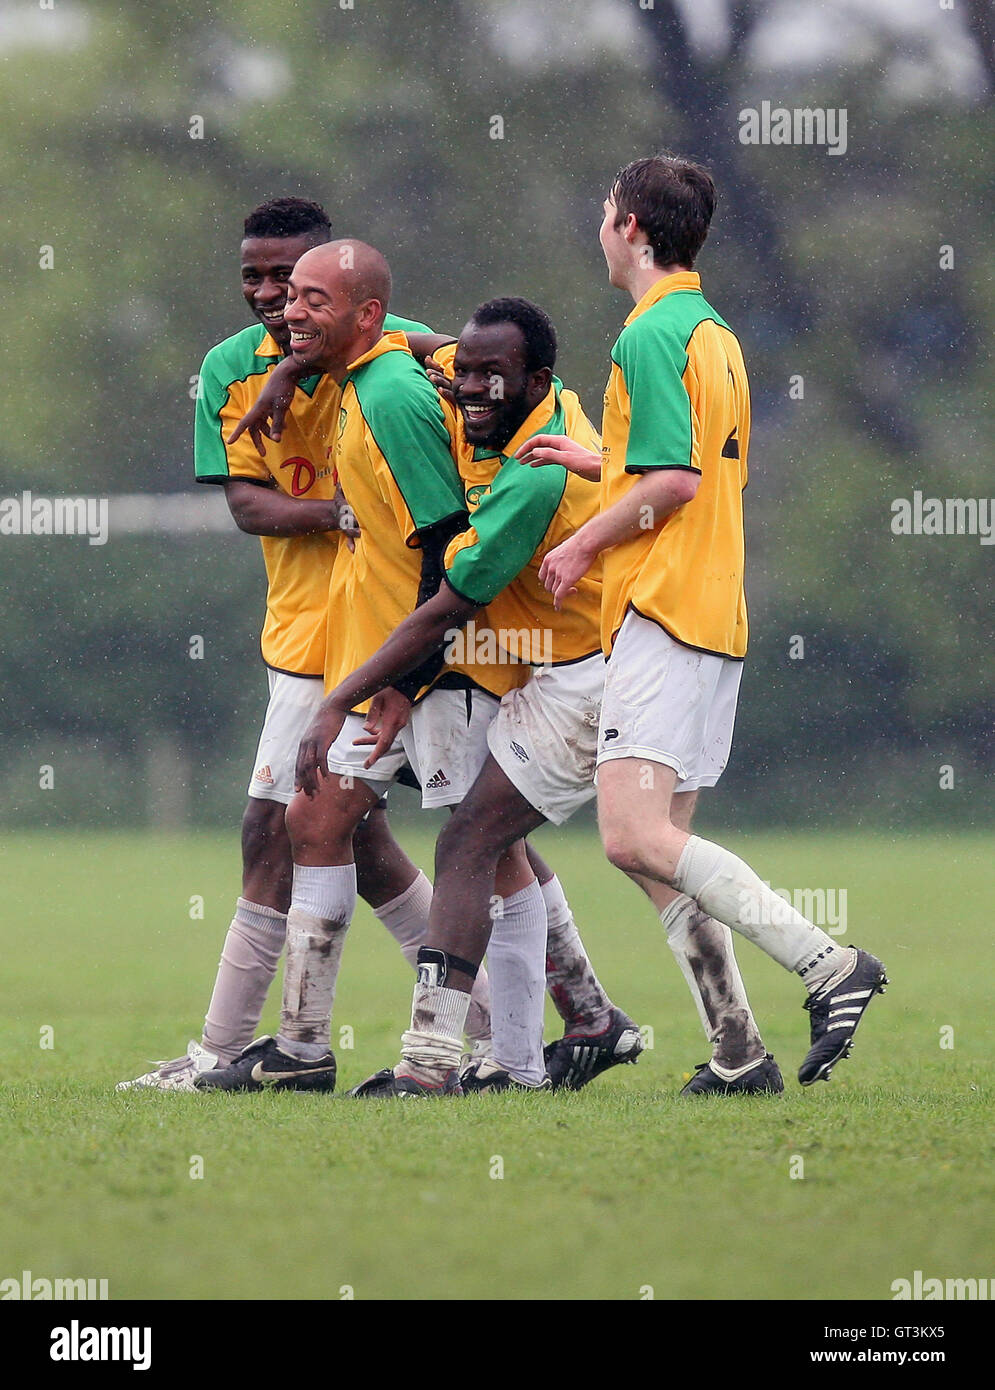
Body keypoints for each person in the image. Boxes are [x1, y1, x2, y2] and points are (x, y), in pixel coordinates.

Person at [290, 297, 780, 1097]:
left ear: (537, 382)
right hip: (542, 672)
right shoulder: (481, 382)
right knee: (533, 848)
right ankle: (653, 1037)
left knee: (490, 845)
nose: (471, 386)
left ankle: (440, 1064)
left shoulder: (533, 479)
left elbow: (449, 603)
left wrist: (347, 695)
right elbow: (414, 337)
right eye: (467, 372)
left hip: (584, 677)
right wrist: (290, 367)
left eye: (493, 376)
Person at [117, 200, 492, 1091]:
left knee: (302, 828)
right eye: (253, 277)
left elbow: (471, 365)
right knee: (366, 838)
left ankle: (240, 1052)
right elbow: (246, 505)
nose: (270, 296)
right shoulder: (228, 370)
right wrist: (335, 507)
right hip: (303, 633)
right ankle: (522, 1026)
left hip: (384, 631)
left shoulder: (386, 347)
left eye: (288, 280)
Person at [534, 155, 888, 1086]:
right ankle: (735, 1049)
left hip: (661, 607)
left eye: (606, 211)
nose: (599, 225)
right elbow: (679, 465)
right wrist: (595, 462)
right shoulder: (712, 330)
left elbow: (676, 484)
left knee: (629, 837)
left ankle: (829, 965)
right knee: (662, 855)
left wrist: (578, 546)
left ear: (635, 230)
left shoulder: (649, 334)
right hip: (707, 609)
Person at [196, 241, 536, 1092]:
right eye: (285, 297)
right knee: (315, 823)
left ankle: (515, 1059)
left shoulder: (387, 394)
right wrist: (287, 375)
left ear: (367, 316)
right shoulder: (355, 380)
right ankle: (303, 1051)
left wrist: (402, 679)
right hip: (384, 664)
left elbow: (446, 549)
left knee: (491, 851)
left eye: (311, 297)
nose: (290, 311)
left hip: (431, 665)